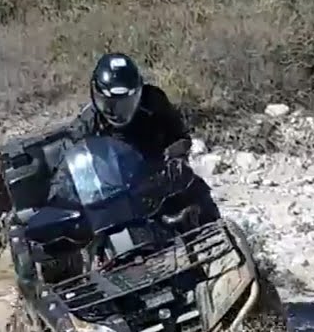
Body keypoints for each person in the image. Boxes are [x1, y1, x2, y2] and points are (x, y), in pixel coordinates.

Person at [68, 52, 219, 226]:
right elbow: (68, 166)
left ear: (139, 93)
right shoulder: (86, 125)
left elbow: (179, 134)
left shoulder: (154, 102)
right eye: (111, 104)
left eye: (126, 102)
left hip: (157, 178)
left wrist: (176, 156)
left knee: (195, 191)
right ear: (96, 95)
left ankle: (217, 232)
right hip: (113, 195)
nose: (118, 111)